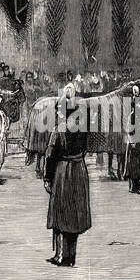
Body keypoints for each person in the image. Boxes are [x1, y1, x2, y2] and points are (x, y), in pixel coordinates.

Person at [44, 84, 91, 267]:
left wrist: (48, 178)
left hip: (63, 173)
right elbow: (85, 149)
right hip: (79, 170)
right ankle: (71, 256)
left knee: (62, 214)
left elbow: (50, 155)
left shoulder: (59, 131)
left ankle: (61, 256)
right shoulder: (82, 129)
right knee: (74, 216)